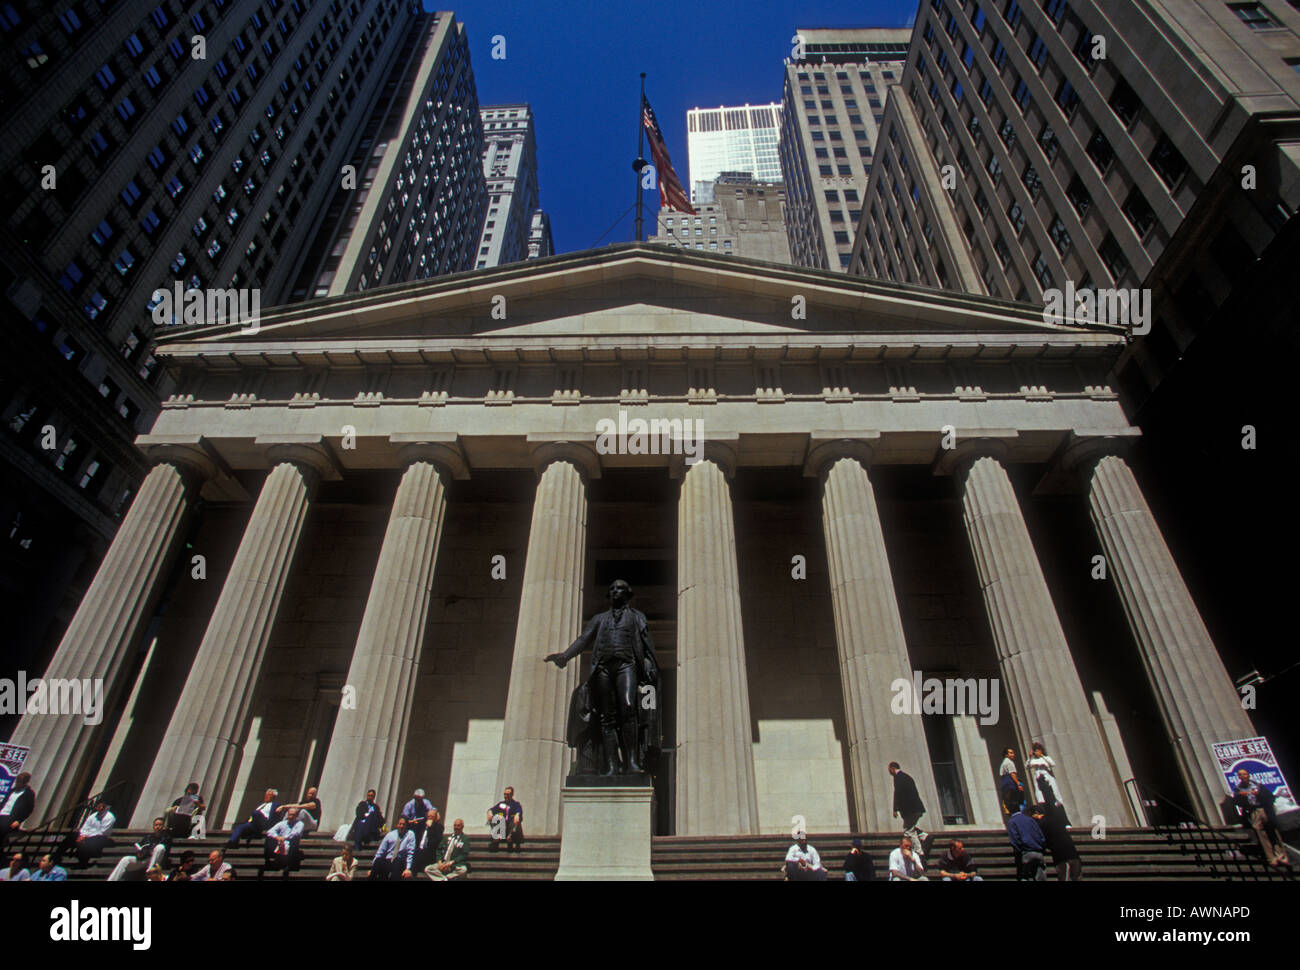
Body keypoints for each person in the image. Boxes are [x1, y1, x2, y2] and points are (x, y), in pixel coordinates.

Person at [545, 579, 661, 776]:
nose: (616, 591)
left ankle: (631, 761)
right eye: (613, 588)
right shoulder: (599, 619)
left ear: (628, 593)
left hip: (627, 664)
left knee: (628, 707)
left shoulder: (637, 617)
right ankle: (612, 765)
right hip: (603, 668)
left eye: (620, 588)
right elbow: (584, 639)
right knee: (607, 716)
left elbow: (646, 643)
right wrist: (565, 656)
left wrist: (649, 663)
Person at [1232, 767, 1290, 868]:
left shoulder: (1257, 785)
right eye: (1240, 775)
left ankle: (1281, 855)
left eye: (1244, 774)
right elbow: (1236, 802)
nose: (1242, 776)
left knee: (1273, 832)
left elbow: (1270, 797)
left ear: (1248, 775)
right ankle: (1271, 858)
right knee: (1261, 833)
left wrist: (1259, 794)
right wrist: (1241, 796)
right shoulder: (1238, 789)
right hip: (1254, 811)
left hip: (1264, 809)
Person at [1033, 802, 1081, 881]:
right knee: (1076, 877)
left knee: (1064, 876)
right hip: (1073, 854)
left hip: (1061, 856)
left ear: (1036, 813)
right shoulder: (1056, 820)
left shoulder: (1042, 824)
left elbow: (1043, 840)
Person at [1026, 741, 1068, 822]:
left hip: (1048, 779)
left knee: (1055, 798)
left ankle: (1063, 820)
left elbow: (1052, 764)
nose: (1037, 751)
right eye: (1035, 750)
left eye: (1038, 749)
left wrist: (1042, 756)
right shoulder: (1033, 760)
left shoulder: (1046, 758)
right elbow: (1027, 767)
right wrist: (1029, 757)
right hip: (1039, 780)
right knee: (1043, 799)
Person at [889, 761, 928, 847]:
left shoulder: (898, 778)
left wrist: (895, 809)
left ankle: (919, 852)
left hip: (911, 810)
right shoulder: (906, 777)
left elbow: (898, 793)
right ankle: (925, 836)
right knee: (910, 827)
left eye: (889, 770)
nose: (889, 772)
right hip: (916, 808)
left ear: (892, 768)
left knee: (909, 831)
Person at [1006, 805, 1048, 881]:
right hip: (1038, 851)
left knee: (1024, 876)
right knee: (1040, 876)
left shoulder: (1011, 821)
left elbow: (1014, 839)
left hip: (1025, 852)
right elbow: (1040, 835)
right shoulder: (1030, 819)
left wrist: (1019, 850)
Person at [262, 807, 306, 878]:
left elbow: (296, 833)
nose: (290, 817)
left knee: (295, 839)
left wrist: (284, 838)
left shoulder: (300, 824)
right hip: (280, 843)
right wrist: (277, 837)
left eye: (293, 815)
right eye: (289, 815)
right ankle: (268, 862)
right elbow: (270, 831)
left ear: (296, 816)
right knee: (269, 838)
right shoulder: (282, 823)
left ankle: (288, 864)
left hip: (290, 843)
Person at [72, 800, 116, 867]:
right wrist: (82, 835)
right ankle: (55, 859)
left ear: (106, 807)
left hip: (101, 838)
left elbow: (102, 832)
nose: (101, 808)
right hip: (88, 836)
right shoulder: (92, 816)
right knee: (70, 838)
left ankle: (83, 862)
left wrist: (85, 837)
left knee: (89, 842)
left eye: (103, 807)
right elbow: (85, 828)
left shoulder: (109, 817)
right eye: (99, 806)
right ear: (96, 807)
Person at [0, 772, 36, 854]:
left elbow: (29, 809)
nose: (17, 783)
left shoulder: (28, 793)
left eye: (20, 782)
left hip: (11, 817)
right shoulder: (12, 791)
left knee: (2, 828)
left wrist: (19, 820)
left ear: (25, 782)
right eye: (17, 781)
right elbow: (4, 803)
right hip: (2, 814)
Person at [487, 786, 524, 851]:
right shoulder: (501, 804)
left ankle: (510, 838)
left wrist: (517, 815)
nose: (505, 796)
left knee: (515, 820)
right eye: (504, 794)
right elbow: (492, 809)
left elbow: (519, 811)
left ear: (512, 795)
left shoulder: (515, 804)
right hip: (502, 828)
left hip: (511, 828)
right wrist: (489, 812)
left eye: (507, 794)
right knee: (498, 818)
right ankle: (496, 840)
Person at [413, 808, 444, 873]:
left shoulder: (439, 827)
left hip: (430, 853)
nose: (429, 818)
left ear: (435, 818)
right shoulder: (422, 826)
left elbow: (435, 842)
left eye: (432, 817)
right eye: (428, 816)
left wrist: (430, 827)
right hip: (419, 851)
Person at [999, 747, 1025, 815]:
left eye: (1013, 752)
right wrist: (1018, 784)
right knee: (1017, 801)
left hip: (1005, 784)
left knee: (1010, 802)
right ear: (1006, 755)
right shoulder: (1009, 762)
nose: (1013, 754)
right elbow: (1012, 774)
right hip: (1010, 783)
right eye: (1011, 753)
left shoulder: (1004, 762)